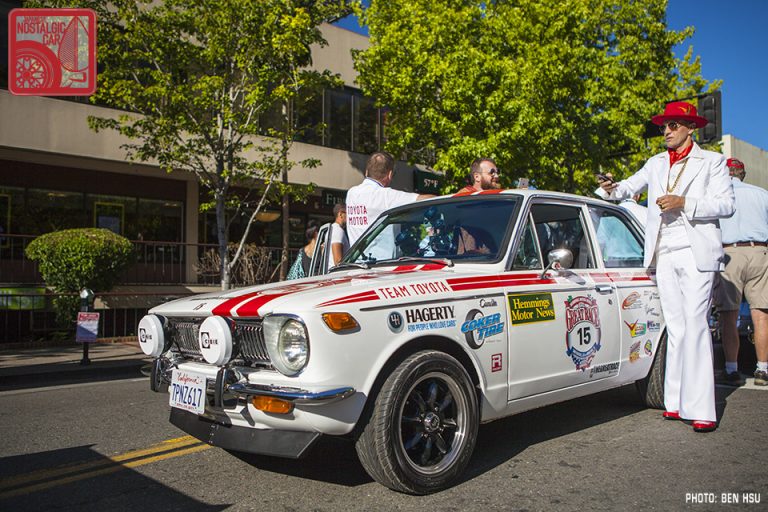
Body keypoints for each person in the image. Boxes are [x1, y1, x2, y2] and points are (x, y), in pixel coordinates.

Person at [597, 101, 735, 433]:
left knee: (696, 322)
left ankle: (702, 408)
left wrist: (684, 202)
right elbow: (627, 188)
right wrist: (609, 187)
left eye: (673, 125)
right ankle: (675, 402)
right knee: (674, 326)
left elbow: (727, 205)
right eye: (664, 126)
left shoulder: (713, 162)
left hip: (696, 248)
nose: (667, 131)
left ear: (691, 128)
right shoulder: (656, 162)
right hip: (665, 250)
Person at [714, 158, 768, 387]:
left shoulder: (718, 195)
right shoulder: (762, 193)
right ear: (742, 174)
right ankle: (763, 370)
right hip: (760, 251)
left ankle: (731, 368)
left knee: (729, 315)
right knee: (761, 314)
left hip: (730, 254)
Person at [346, 151, 434, 260]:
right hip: (381, 266)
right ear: (390, 174)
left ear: (366, 171)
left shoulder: (351, 194)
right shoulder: (387, 196)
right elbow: (426, 200)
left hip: (354, 264)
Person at [327, 202, 349, 269]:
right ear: (341, 214)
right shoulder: (338, 231)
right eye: (348, 213)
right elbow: (338, 261)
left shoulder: (331, 229)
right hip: (338, 275)